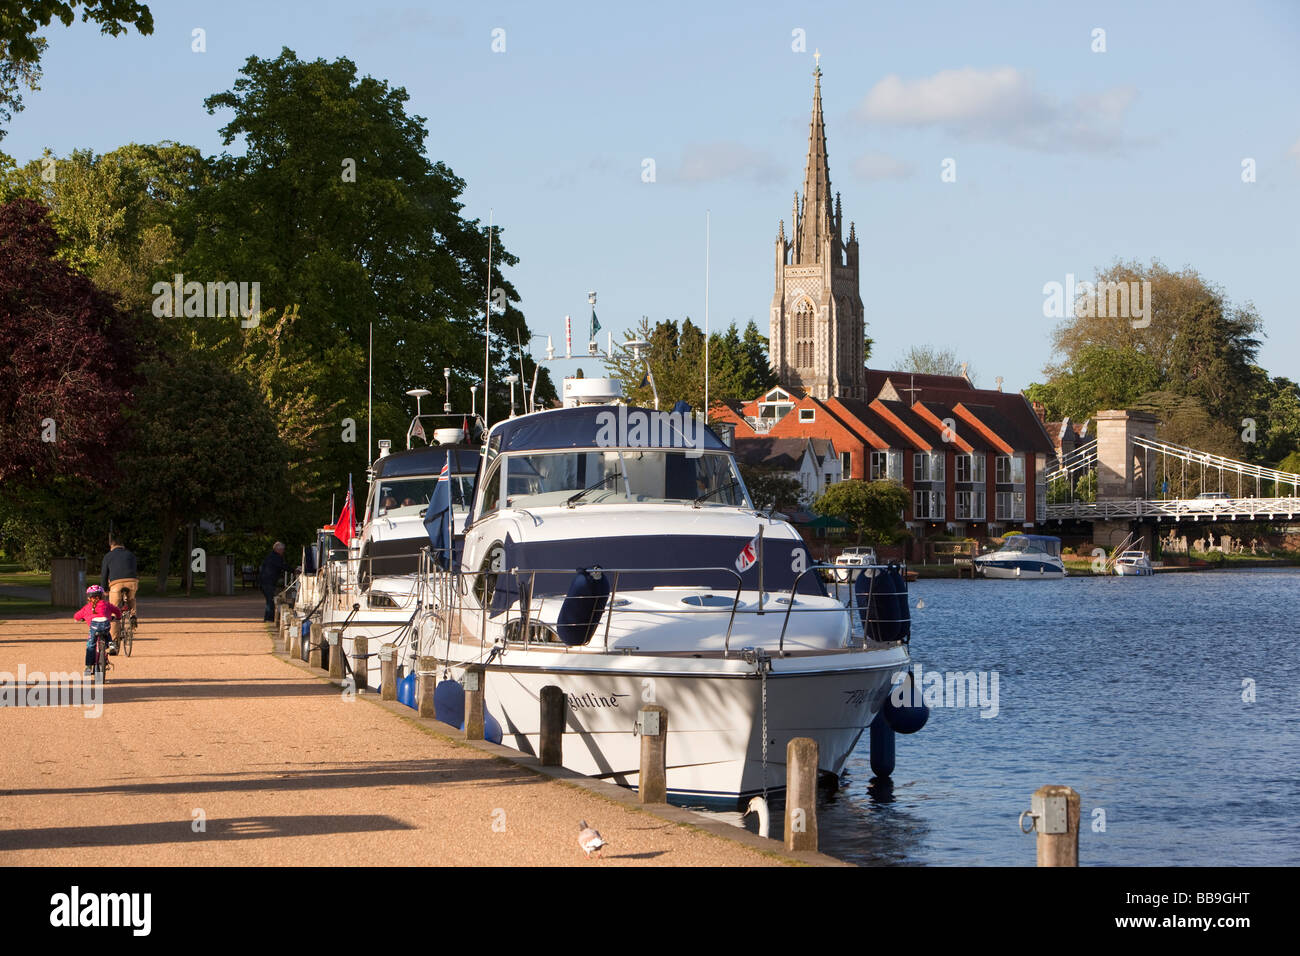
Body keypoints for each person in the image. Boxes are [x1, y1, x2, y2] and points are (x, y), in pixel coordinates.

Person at [101, 534, 139, 653]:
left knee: (114, 612)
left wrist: (105, 589)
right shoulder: (131, 554)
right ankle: (133, 615)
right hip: (132, 581)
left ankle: (114, 644)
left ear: (111, 545)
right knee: (131, 598)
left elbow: (104, 575)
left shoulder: (108, 556)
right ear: (123, 545)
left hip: (116, 584)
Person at [74, 585, 122, 675]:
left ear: (89, 598)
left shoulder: (87, 607)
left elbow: (77, 615)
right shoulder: (106, 604)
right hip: (105, 623)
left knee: (90, 646)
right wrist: (118, 617)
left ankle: (88, 667)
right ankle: (111, 645)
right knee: (107, 633)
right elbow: (117, 610)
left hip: (94, 626)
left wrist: (78, 619)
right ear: (102, 596)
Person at [259, 541, 289, 621]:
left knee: (270, 600)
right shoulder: (276, 557)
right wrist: (293, 570)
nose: (283, 551)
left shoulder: (271, 556)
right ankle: (269, 618)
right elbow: (283, 566)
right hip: (268, 581)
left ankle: (268, 617)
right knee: (270, 600)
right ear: (278, 549)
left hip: (265, 581)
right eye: (282, 550)